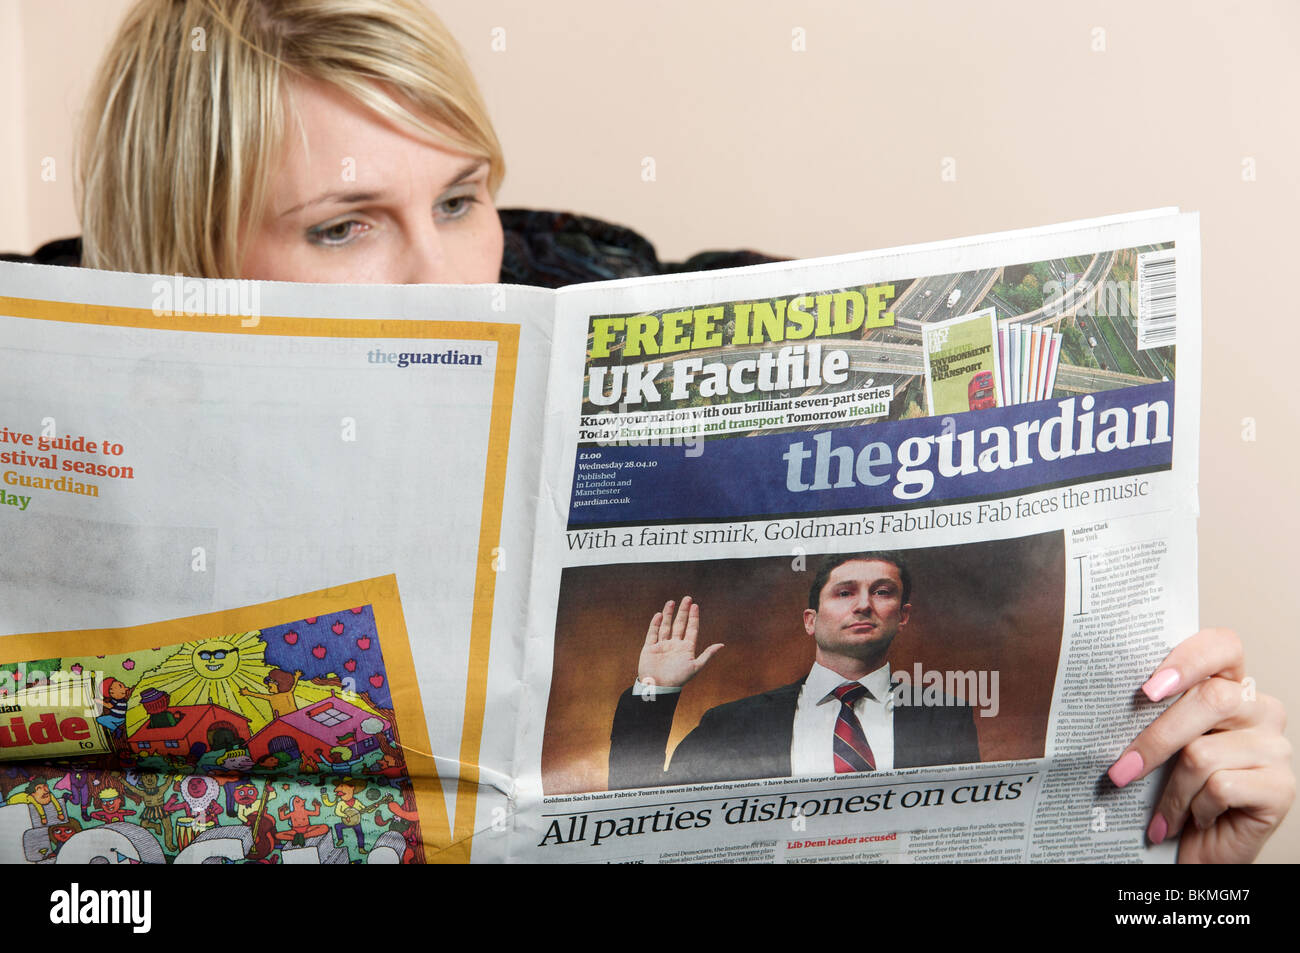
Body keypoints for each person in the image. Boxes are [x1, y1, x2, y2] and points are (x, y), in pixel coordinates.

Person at [3, 0, 1292, 863]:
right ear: (186, 259)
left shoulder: (635, 322)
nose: (449, 276)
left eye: (460, 199)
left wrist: (1182, 871)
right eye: (342, 226)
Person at [608, 552, 981, 789]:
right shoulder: (731, 723)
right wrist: (655, 690)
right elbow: (641, 804)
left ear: (903, 616)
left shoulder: (946, 717)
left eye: (882, 592)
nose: (864, 605)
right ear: (810, 621)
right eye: (845, 592)